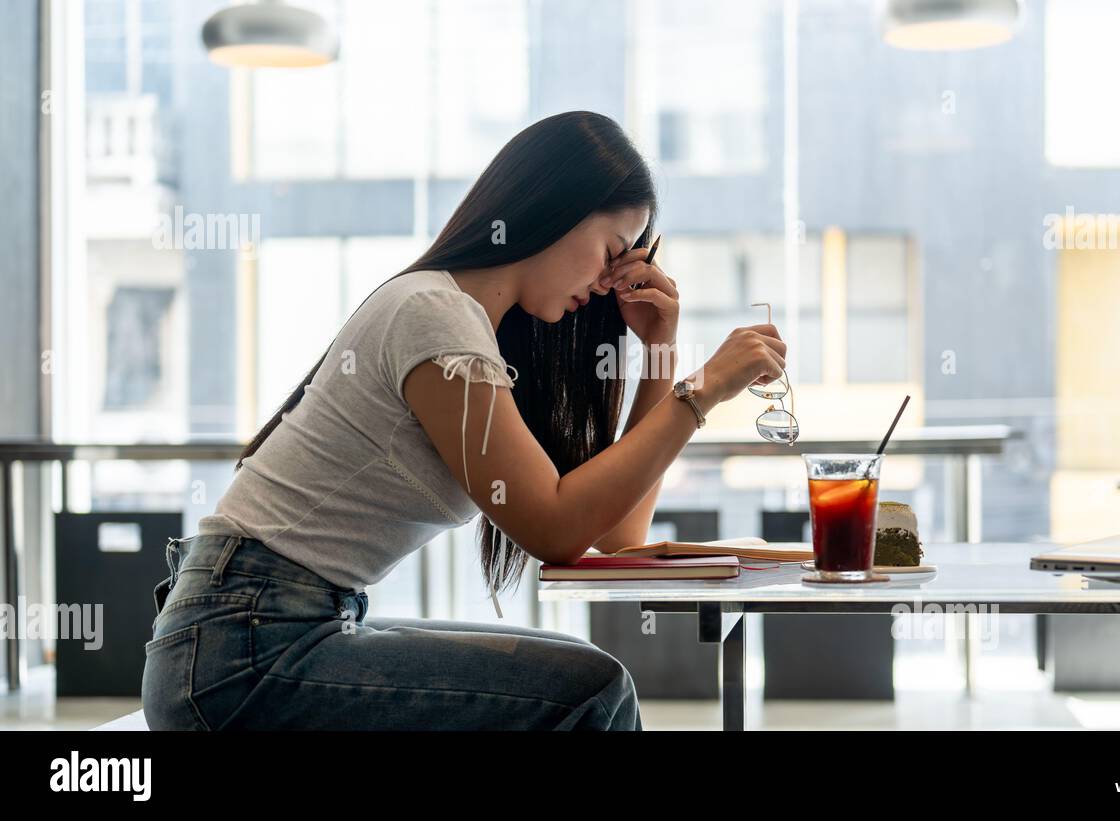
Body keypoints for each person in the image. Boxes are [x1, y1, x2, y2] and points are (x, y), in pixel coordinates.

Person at [142, 111, 787, 730]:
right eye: (612, 251)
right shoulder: (434, 314)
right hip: (239, 648)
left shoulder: (477, 331)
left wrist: (660, 353)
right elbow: (557, 530)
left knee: (586, 684)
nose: (608, 281)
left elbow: (618, 533)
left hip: (276, 629)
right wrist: (699, 393)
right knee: (589, 693)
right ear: (554, 211)